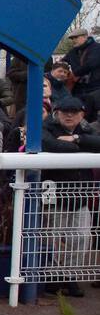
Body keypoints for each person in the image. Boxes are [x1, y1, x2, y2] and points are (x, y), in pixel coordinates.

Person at [42, 96, 100, 296]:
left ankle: (69, 276)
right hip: (55, 196)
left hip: (81, 195)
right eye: (65, 111)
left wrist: (77, 139)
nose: (69, 115)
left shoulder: (85, 130)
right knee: (55, 238)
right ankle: (55, 277)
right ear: (56, 113)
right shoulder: (48, 127)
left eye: (73, 112)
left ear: (82, 114)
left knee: (82, 238)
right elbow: (49, 144)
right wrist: (80, 147)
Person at [64, 27, 100, 97]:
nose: (73, 40)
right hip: (78, 89)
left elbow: (91, 64)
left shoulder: (97, 48)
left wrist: (74, 74)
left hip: (95, 88)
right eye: (72, 38)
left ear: (85, 37)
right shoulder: (73, 51)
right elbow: (62, 62)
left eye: (76, 37)